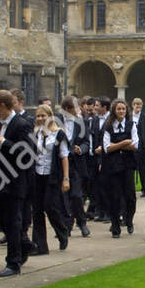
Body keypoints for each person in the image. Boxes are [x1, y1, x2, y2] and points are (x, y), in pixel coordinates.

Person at [0, 90, 33, 277]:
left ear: (3, 106)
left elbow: (28, 153)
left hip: (16, 181)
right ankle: (25, 244)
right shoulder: (0, 125)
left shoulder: (21, 124)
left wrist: (4, 142)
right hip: (1, 180)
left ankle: (13, 263)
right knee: (1, 219)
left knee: (13, 222)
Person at [31, 105, 72, 254]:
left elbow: (64, 156)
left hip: (52, 176)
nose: (41, 119)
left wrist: (66, 178)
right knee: (36, 210)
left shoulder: (59, 134)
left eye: (43, 116)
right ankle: (40, 245)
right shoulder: (36, 134)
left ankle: (62, 231)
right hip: (37, 175)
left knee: (50, 207)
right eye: (38, 116)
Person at [101, 98, 138, 237]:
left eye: (123, 109)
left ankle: (129, 220)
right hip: (113, 166)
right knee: (114, 197)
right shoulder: (108, 126)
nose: (121, 111)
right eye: (118, 109)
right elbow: (107, 148)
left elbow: (135, 145)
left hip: (128, 165)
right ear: (114, 111)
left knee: (130, 196)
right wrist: (124, 143)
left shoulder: (131, 125)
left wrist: (115, 144)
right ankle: (115, 225)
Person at [59, 96, 91, 237]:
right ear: (67, 109)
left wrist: (81, 149)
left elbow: (86, 142)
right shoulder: (56, 122)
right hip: (61, 164)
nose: (78, 110)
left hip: (76, 164)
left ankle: (82, 222)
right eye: (75, 107)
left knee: (77, 195)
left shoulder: (82, 123)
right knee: (64, 198)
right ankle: (67, 225)